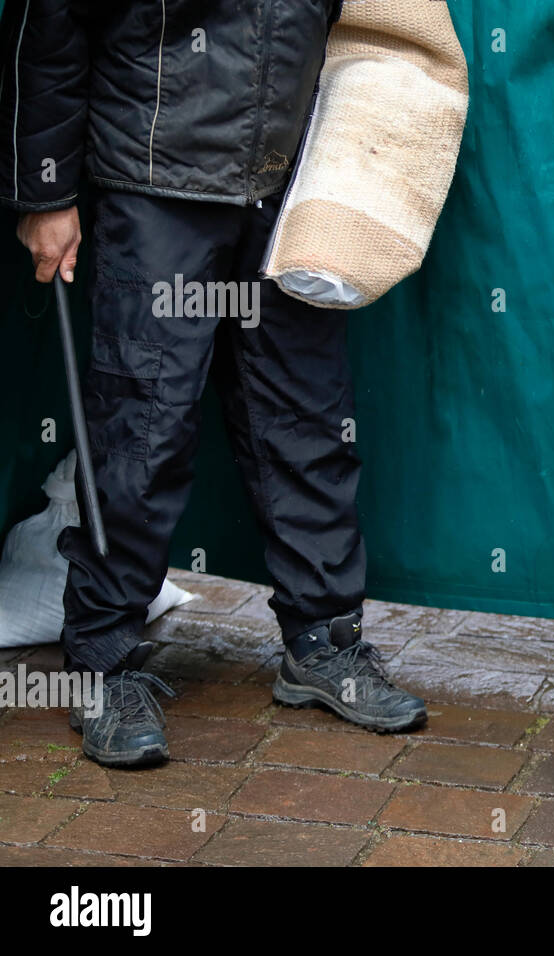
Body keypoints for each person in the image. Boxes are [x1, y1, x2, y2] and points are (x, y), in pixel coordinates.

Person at [0, 0, 427, 767]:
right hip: (154, 174)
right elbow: (51, 21)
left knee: (304, 417)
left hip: (295, 177)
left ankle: (323, 645)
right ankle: (103, 665)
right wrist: (47, 191)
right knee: (142, 428)